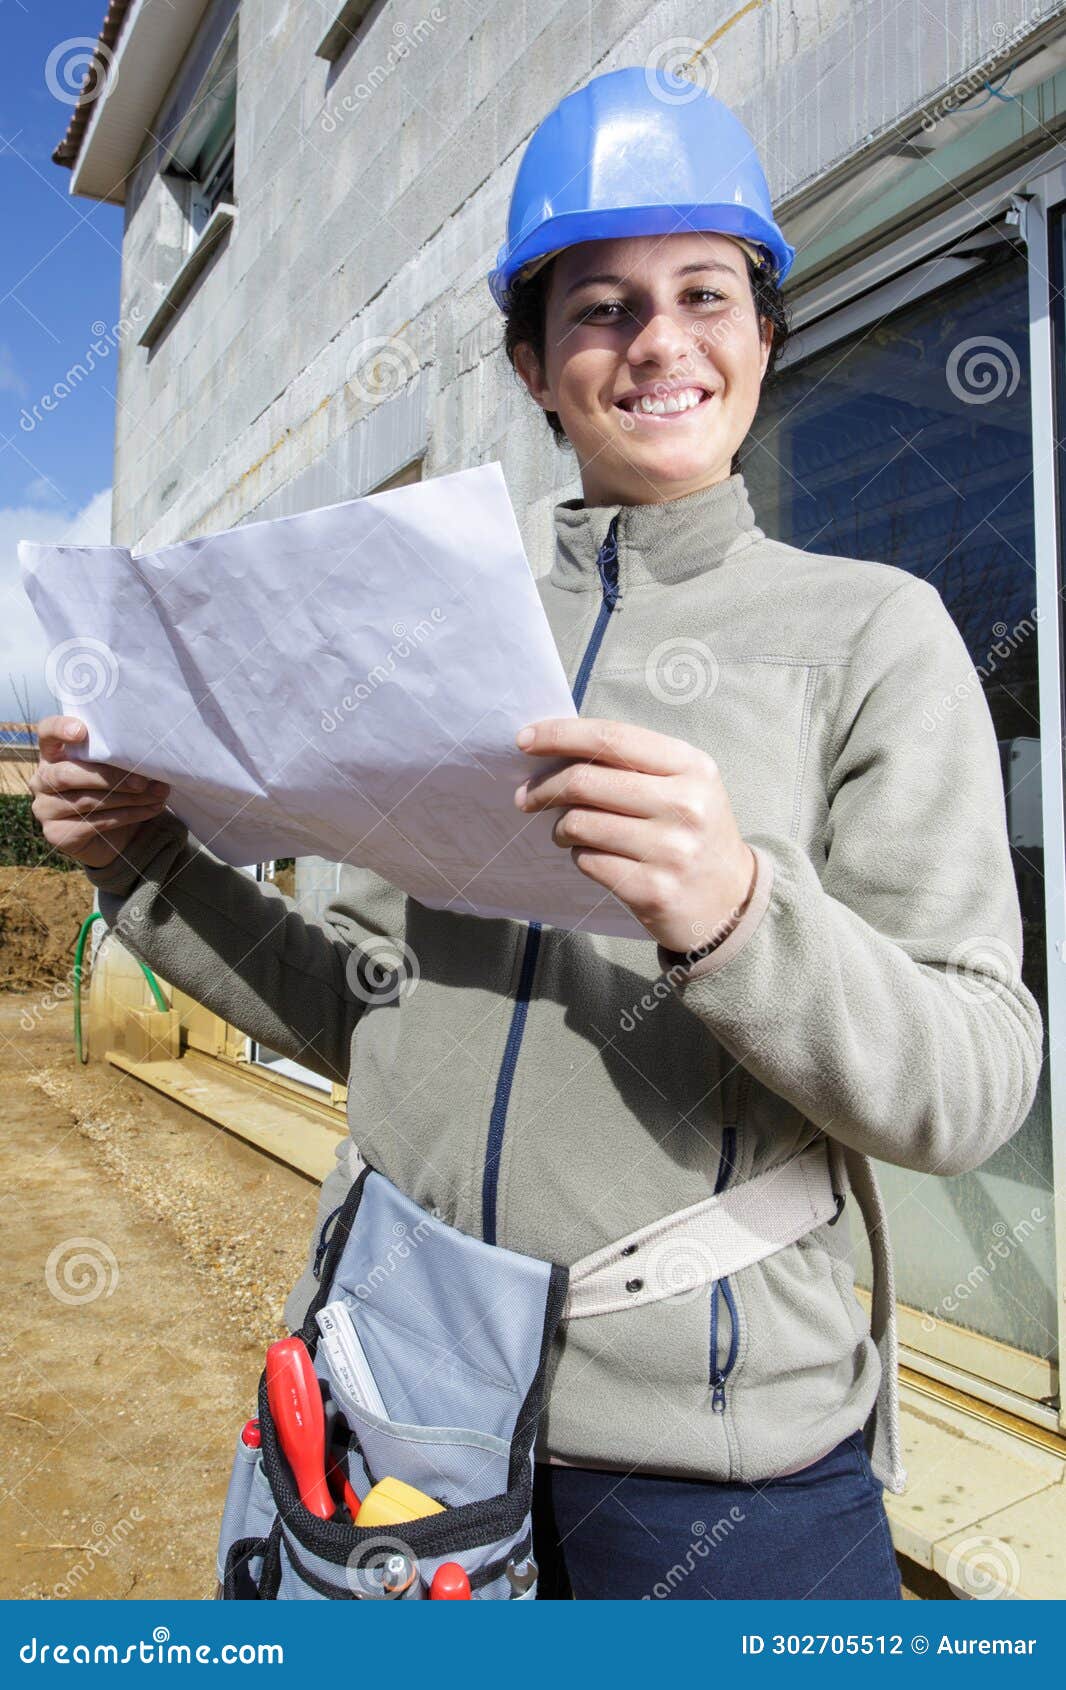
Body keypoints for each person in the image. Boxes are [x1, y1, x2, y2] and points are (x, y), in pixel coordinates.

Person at [30, 67, 1042, 1601]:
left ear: (763, 333)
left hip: (717, 1482)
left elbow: (970, 1081)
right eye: (599, 308)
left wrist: (736, 911)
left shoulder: (871, 636)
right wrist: (141, 861)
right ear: (531, 361)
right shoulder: (432, 619)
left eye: (705, 293)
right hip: (404, 1398)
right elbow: (358, 1011)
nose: (658, 343)